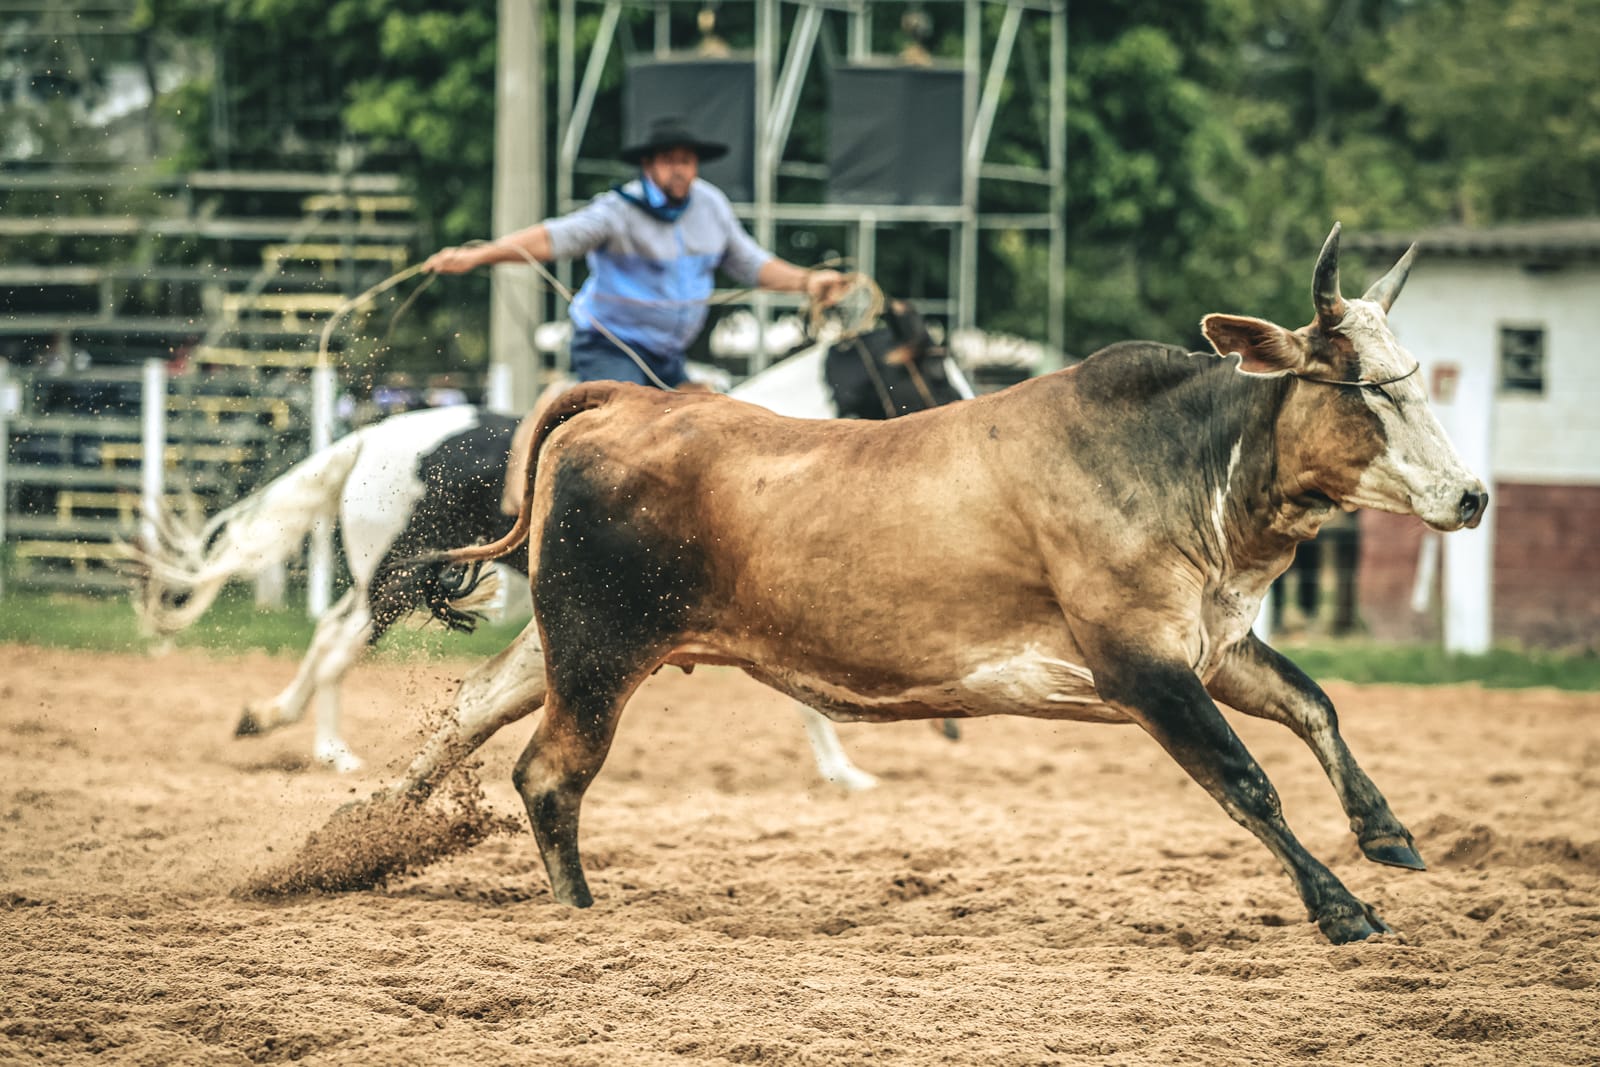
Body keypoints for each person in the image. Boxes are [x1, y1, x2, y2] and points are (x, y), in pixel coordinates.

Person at [424, 115, 850, 389]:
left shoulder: (711, 206)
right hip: (610, 346)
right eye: (669, 160)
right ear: (648, 165)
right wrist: (481, 255)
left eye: (687, 160)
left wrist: (808, 281)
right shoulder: (617, 212)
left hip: (668, 355)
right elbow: (554, 238)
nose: (680, 169)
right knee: (626, 432)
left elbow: (750, 264)